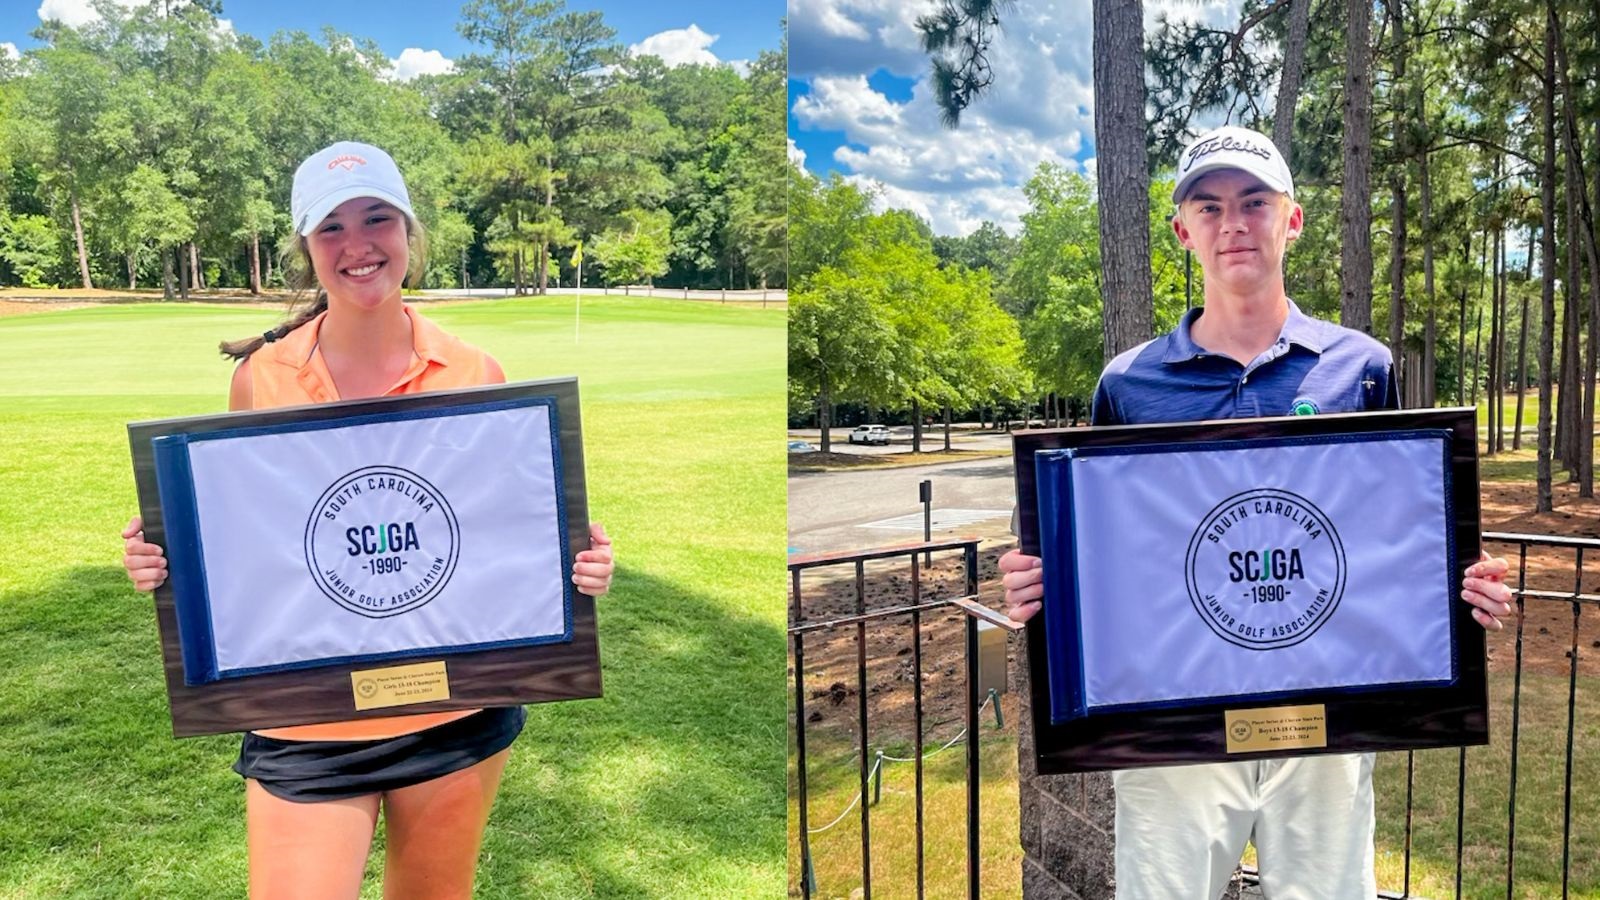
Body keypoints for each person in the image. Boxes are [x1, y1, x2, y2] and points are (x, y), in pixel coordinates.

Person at [998, 125, 1515, 899]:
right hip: (1173, 721)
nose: (1232, 223)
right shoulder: (1129, 384)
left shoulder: (1361, 369)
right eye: (1208, 208)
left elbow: (1395, 532)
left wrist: (1459, 588)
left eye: (1254, 202)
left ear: (1293, 219)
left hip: (1328, 716)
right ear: (1183, 232)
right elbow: (1090, 544)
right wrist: (1037, 583)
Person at [119, 140, 615, 899]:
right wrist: (169, 560)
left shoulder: (475, 372)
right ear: (306, 248)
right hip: (305, 717)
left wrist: (574, 568)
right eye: (331, 227)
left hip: (455, 706)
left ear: (409, 233)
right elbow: (247, 539)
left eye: (376, 218)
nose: (358, 244)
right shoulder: (263, 377)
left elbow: (492, 533)